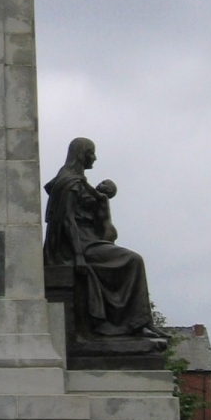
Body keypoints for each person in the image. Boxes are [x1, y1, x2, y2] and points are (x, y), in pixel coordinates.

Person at [43, 139, 162, 338]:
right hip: (81, 245)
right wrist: (79, 256)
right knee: (133, 260)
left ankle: (139, 322)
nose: (95, 158)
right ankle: (135, 324)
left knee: (131, 261)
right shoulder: (70, 182)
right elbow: (67, 220)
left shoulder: (79, 182)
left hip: (92, 241)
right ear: (82, 154)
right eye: (91, 153)